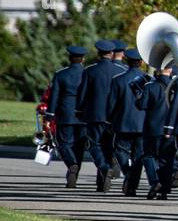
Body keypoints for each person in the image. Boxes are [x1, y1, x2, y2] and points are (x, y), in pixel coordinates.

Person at [75, 39, 123, 192]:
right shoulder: (120, 71)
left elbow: (82, 95)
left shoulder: (90, 70)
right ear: (112, 53)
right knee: (108, 147)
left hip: (95, 115)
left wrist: (79, 111)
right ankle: (102, 183)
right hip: (114, 115)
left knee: (95, 145)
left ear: (98, 54)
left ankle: (103, 168)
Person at [106, 48, 147, 196]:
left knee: (120, 150)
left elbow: (112, 104)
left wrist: (109, 120)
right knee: (139, 155)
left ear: (126, 61)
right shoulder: (149, 79)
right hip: (143, 124)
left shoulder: (118, 79)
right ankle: (132, 184)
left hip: (123, 122)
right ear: (141, 62)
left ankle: (128, 173)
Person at [47, 44, 87, 187]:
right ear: (83, 59)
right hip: (83, 115)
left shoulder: (61, 74)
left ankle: (71, 165)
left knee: (64, 144)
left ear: (70, 58)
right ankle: (73, 176)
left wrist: (50, 113)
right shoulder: (87, 73)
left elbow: (54, 96)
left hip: (65, 113)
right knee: (79, 147)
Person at [133, 64, 174, 199]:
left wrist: (138, 93)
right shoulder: (177, 85)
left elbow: (141, 105)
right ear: (170, 70)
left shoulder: (150, 86)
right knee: (166, 160)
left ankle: (155, 182)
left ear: (158, 71)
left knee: (149, 156)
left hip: (153, 128)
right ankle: (164, 190)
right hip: (171, 128)